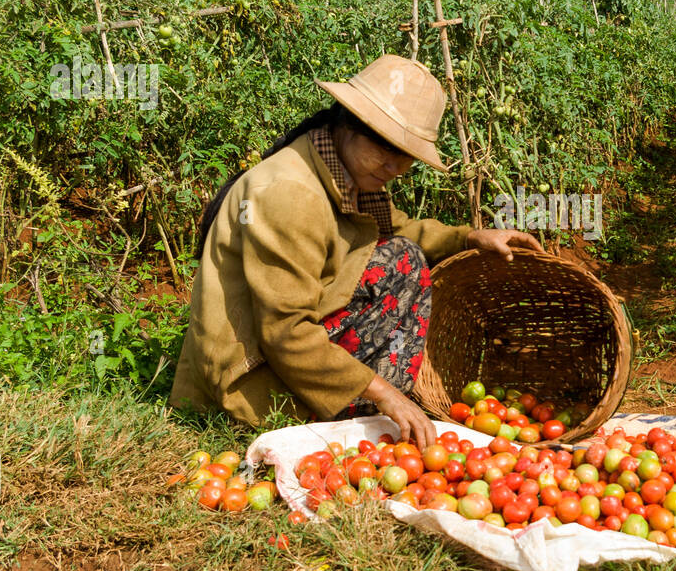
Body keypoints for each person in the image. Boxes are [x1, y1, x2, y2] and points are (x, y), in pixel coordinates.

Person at [169, 54, 542, 447]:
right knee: (402, 263)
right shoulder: (289, 193)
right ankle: (341, 408)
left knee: (404, 258)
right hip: (248, 378)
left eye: (406, 158)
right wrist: (382, 392)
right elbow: (284, 331)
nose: (395, 168)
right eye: (387, 150)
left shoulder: (338, 171)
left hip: (277, 348)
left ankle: (356, 401)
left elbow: (399, 229)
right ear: (348, 124)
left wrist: (470, 238)